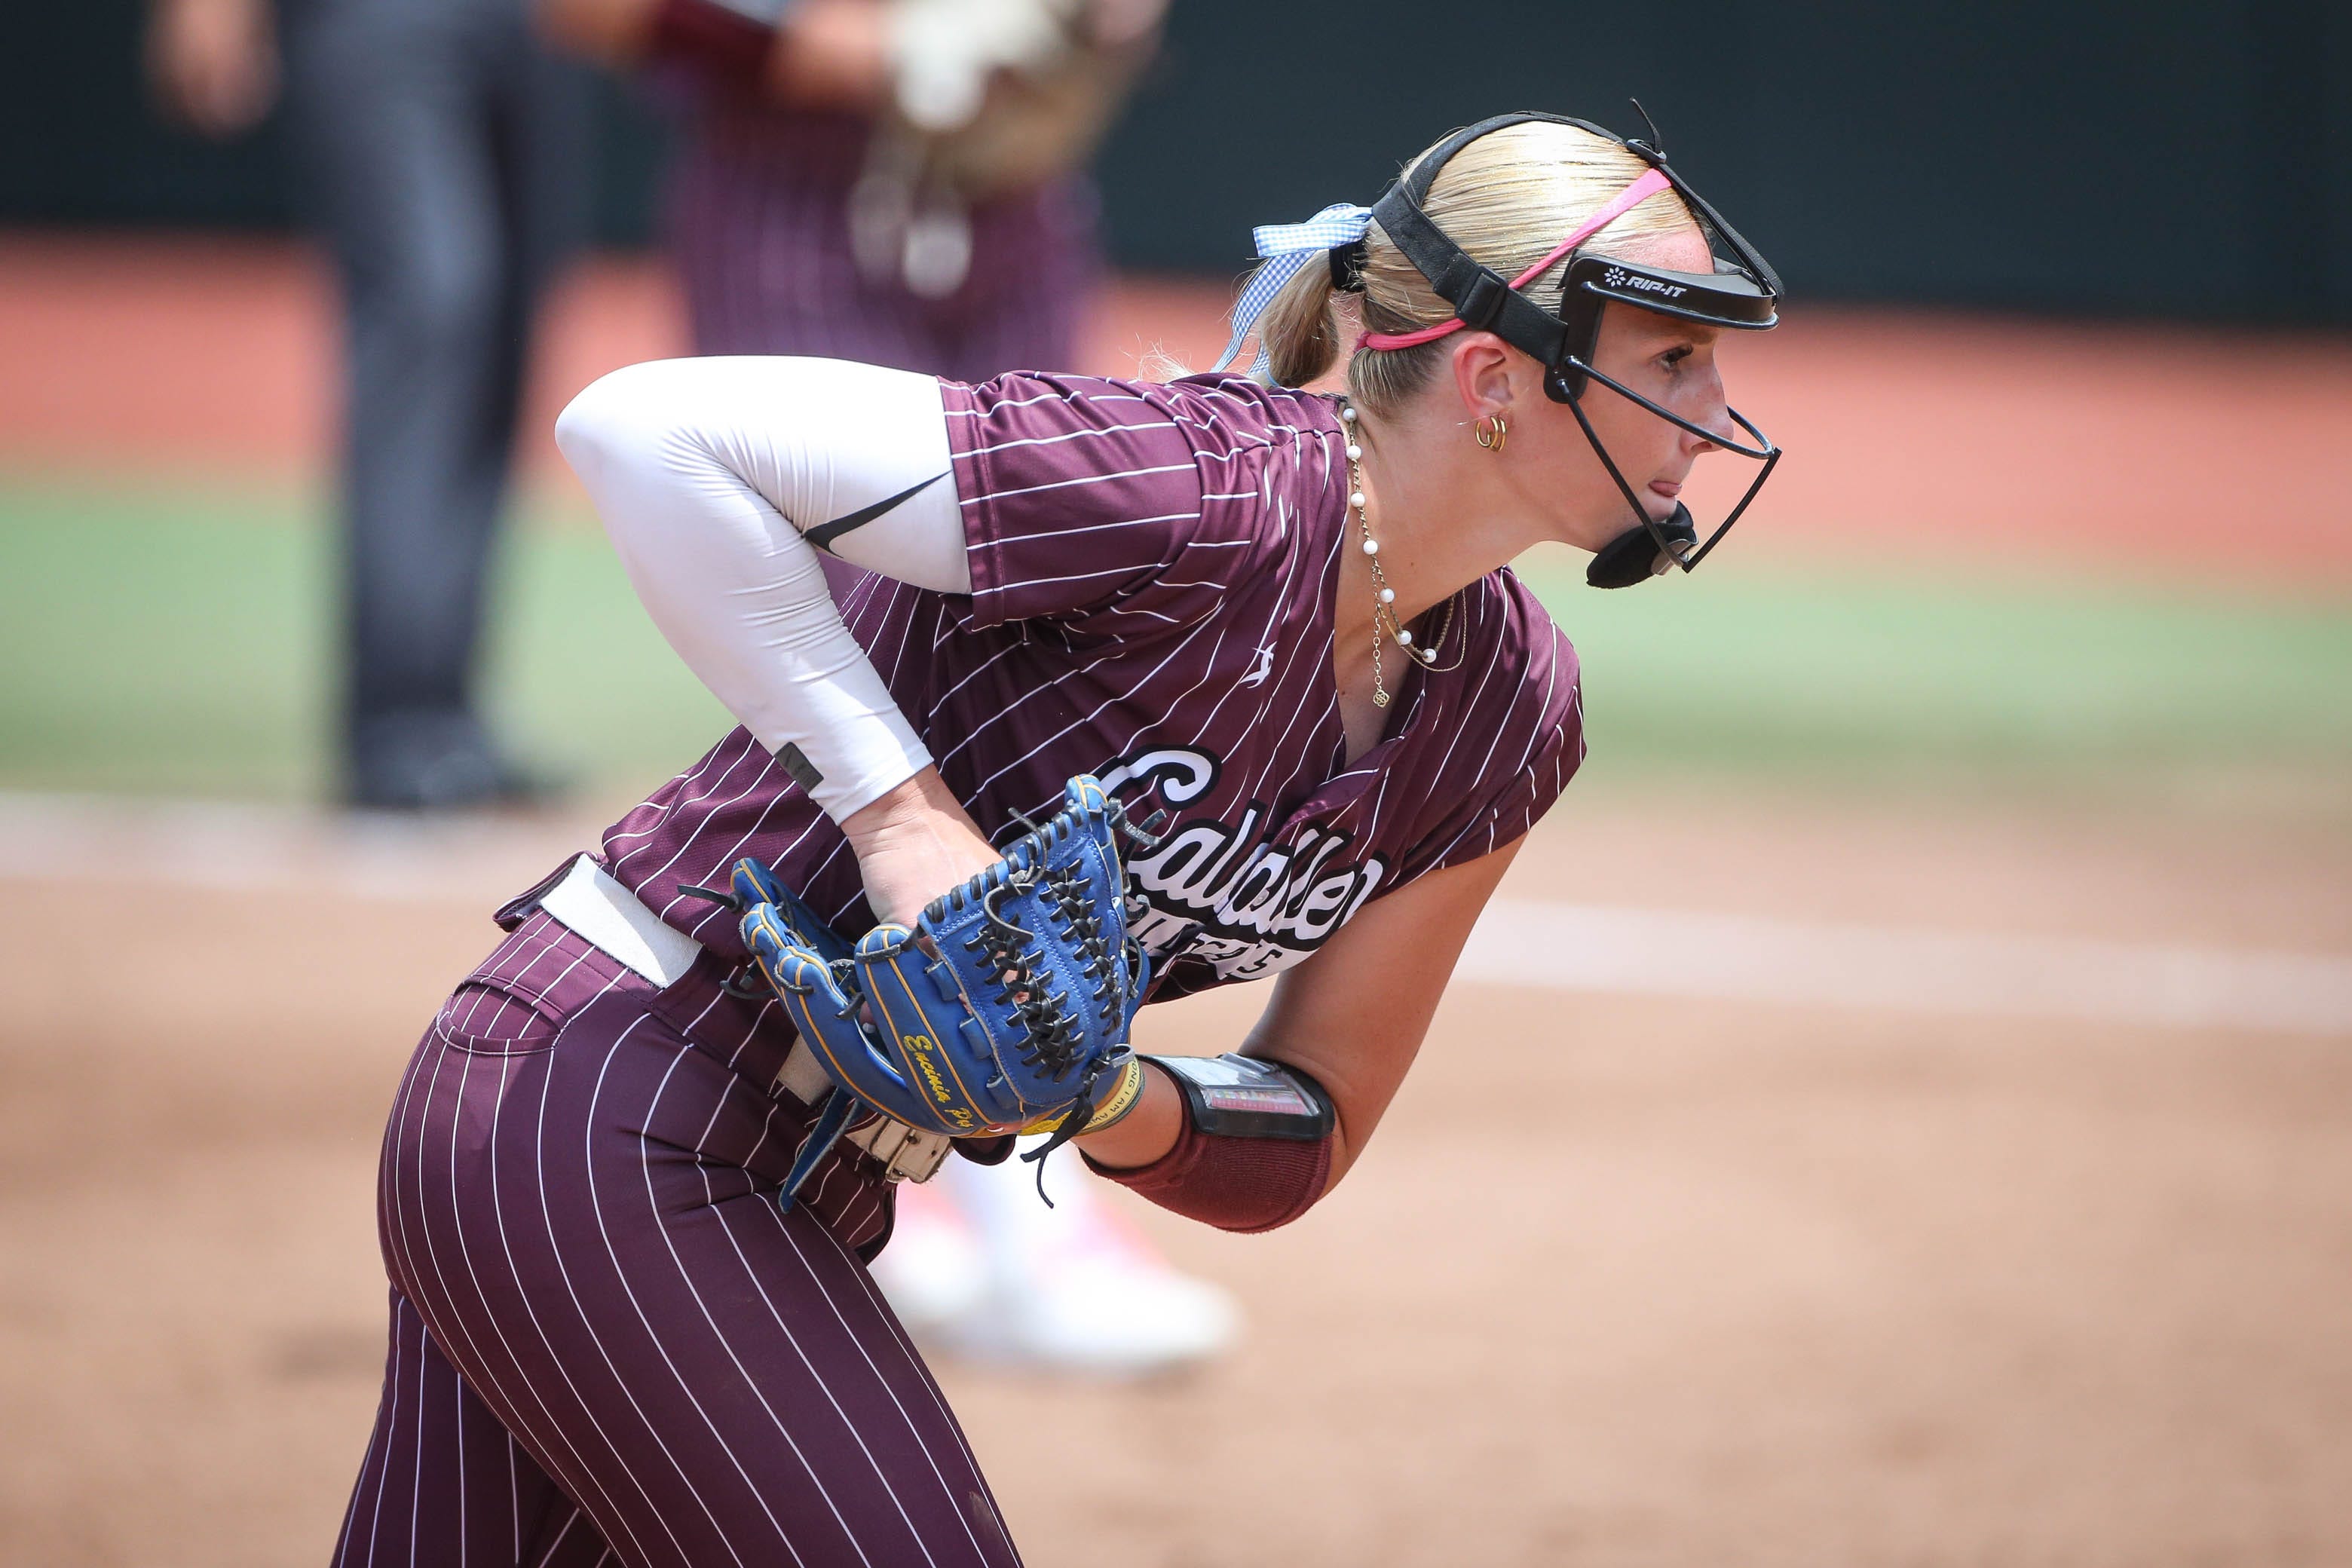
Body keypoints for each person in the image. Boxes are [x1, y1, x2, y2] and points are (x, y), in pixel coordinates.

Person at [329, 111, 1783, 1566]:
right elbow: (642, 428)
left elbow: (1309, 1125)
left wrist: (1095, 1093)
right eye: (1671, 356)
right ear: (1490, 378)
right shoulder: (1194, 489)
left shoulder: (1509, 715)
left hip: (794, 1172)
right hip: (606, 1097)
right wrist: (898, 813)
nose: (1715, 405)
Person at [538, 0, 1224, 1374]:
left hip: (1008, 203)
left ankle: (981, 1173)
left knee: (1029, 644)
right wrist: (835, 51)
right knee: (857, 657)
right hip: (799, 188)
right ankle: (959, 1193)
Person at [146, 0, 589, 810]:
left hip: (537, 22)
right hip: (377, 18)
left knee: (504, 330)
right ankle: (397, 723)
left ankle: (449, 714)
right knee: (431, 305)